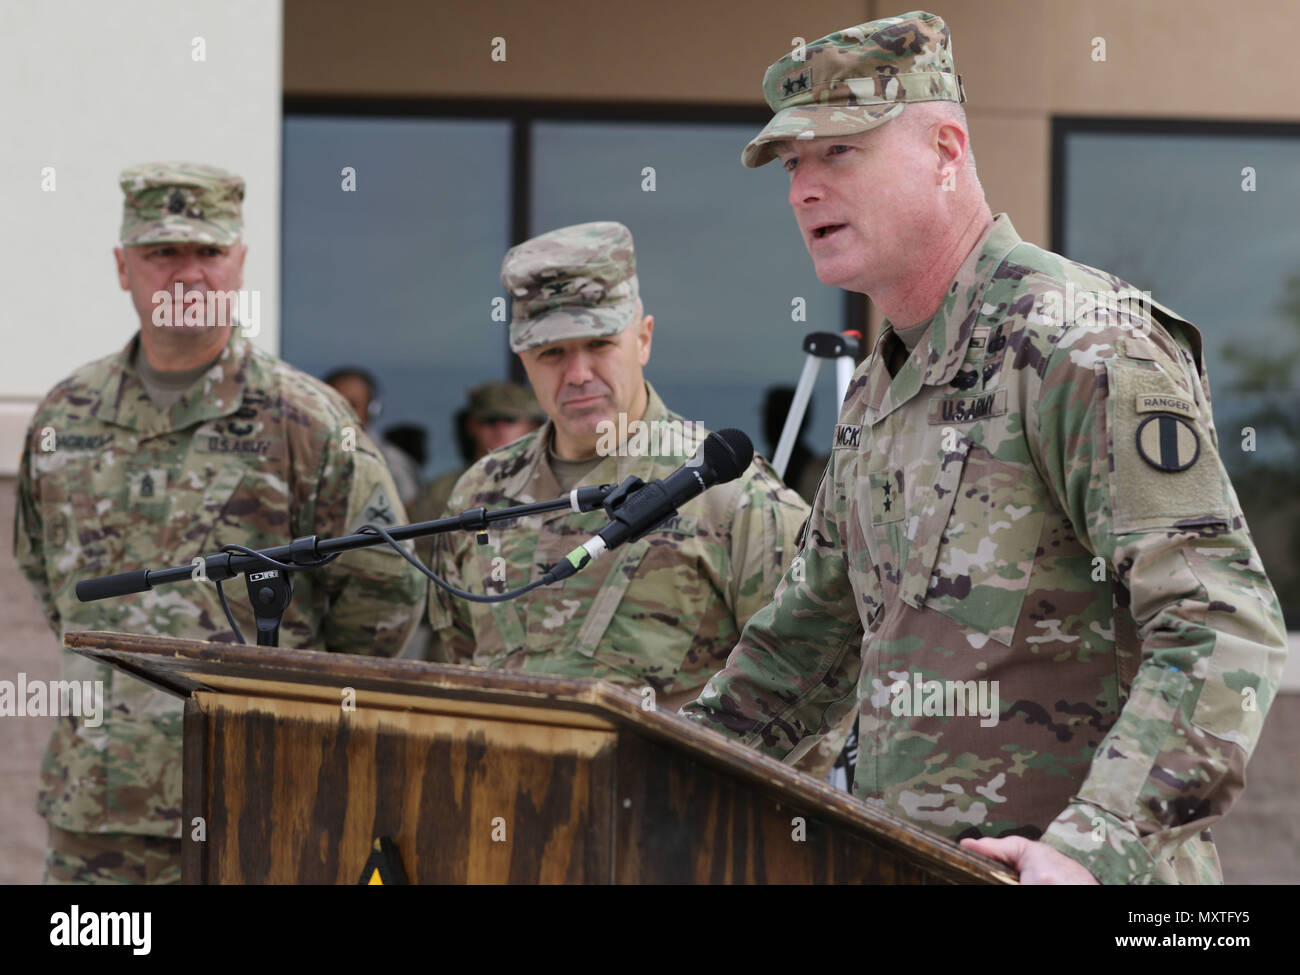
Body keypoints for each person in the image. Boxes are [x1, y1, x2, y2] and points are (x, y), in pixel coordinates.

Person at [681, 13, 1288, 885]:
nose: (802, 189)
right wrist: (646, 767)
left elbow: (1221, 623)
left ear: (945, 148)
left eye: (839, 152)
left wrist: (1090, 850)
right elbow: (807, 644)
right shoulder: (877, 389)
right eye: (791, 164)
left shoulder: (1079, 344)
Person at [13, 161, 427, 884]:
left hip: (262, 807)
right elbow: (51, 579)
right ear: (123, 268)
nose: (187, 274)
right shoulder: (64, 416)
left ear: (240, 263)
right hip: (101, 816)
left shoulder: (306, 420)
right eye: (162, 253)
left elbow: (382, 602)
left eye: (209, 252)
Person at [427, 221, 813, 719]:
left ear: (643, 339)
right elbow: (458, 659)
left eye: (601, 345)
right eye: (552, 353)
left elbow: (810, 685)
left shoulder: (727, 490)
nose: (579, 374)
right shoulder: (480, 493)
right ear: (524, 360)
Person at [408, 381, 544, 562]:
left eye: (511, 420)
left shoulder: (555, 485)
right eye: (490, 421)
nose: (500, 429)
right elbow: (419, 557)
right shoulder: (441, 492)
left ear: (533, 426)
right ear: (472, 426)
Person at [324, 366, 423, 507]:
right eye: (335, 403)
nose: (343, 412)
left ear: (371, 410)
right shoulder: (307, 454)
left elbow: (411, 513)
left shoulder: (392, 462)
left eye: (352, 405)